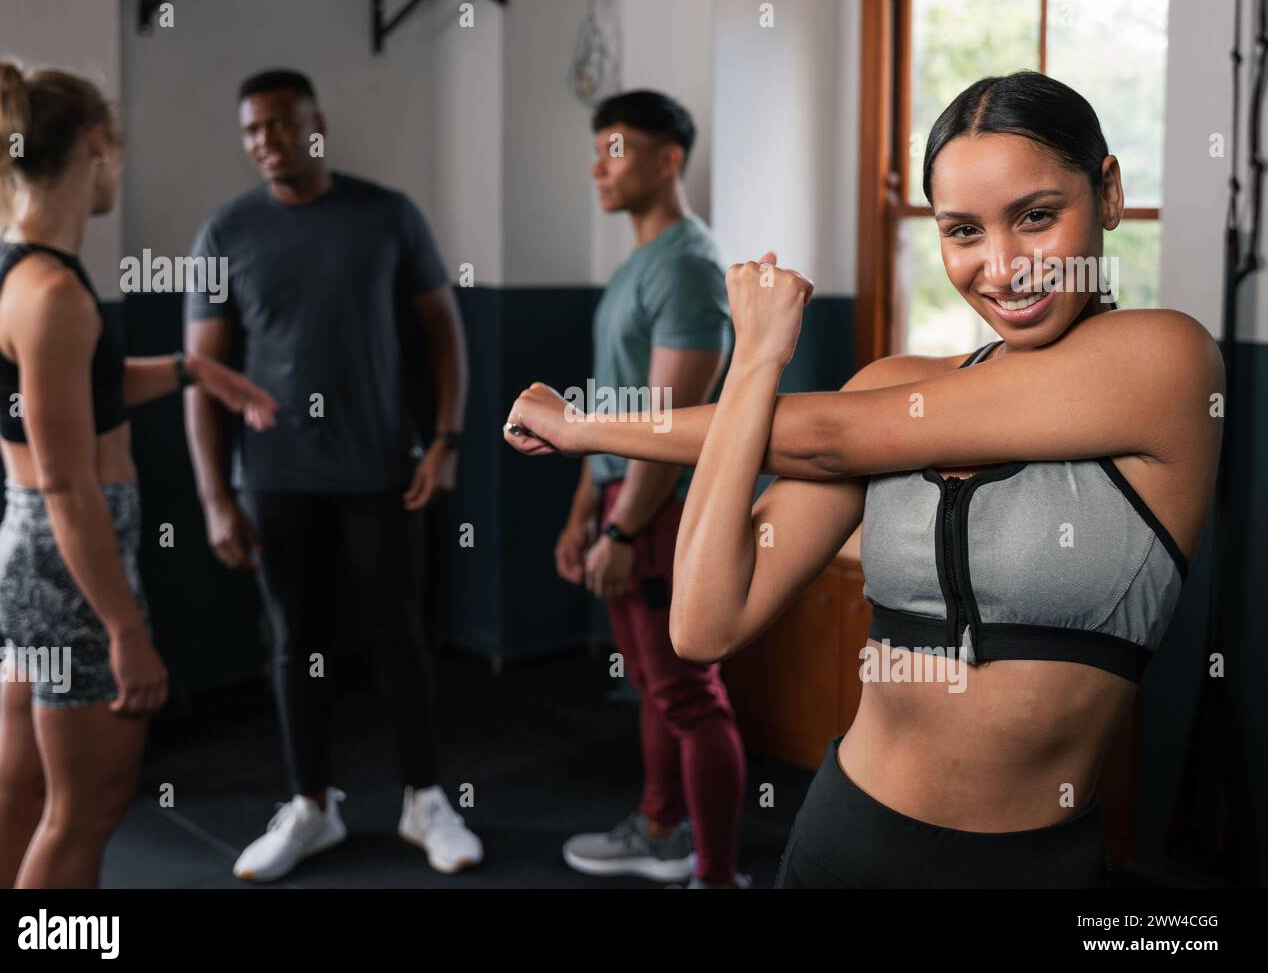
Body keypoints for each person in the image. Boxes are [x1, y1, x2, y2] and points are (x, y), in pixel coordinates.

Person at [504, 71, 1224, 888]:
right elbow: (705, 627)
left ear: (1109, 192)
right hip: (839, 842)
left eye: (1035, 217)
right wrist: (754, 360)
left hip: (1033, 866)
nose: (1003, 266)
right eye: (962, 231)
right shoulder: (891, 379)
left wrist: (583, 425)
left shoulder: (1168, 360)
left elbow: (832, 438)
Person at [0, 59, 277, 889]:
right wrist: (127, 633)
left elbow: (85, 395)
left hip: (29, 556)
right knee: (88, 811)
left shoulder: (13, 268)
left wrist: (188, 369)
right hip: (71, 567)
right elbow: (70, 484)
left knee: (18, 784)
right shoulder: (53, 295)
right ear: (97, 145)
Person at [183, 69, 478, 881]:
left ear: (316, 124)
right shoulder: (223, 232)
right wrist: (214, 497)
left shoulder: (387, 215)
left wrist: (447, 439)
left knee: (401, 637)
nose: (265, 142)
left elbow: (445, 335)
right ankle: (312, 806)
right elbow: (201, 376)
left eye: (280, 124)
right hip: (274, 478)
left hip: (382, 469)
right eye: (250, 130)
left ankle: (424, 799)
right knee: (293, 643)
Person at [555, 90, 747, 889]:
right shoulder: (642, 261)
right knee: (655, 688)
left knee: (690, 694)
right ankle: (662, 828)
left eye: (616, 149)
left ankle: (714, 872)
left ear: (667, 160)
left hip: (662, 509)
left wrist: (625, 530)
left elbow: (668, 426)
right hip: (623, 499)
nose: (597, 166)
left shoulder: (689, 267)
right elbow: (618, 405)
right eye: (598, 148)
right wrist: (584, 512)